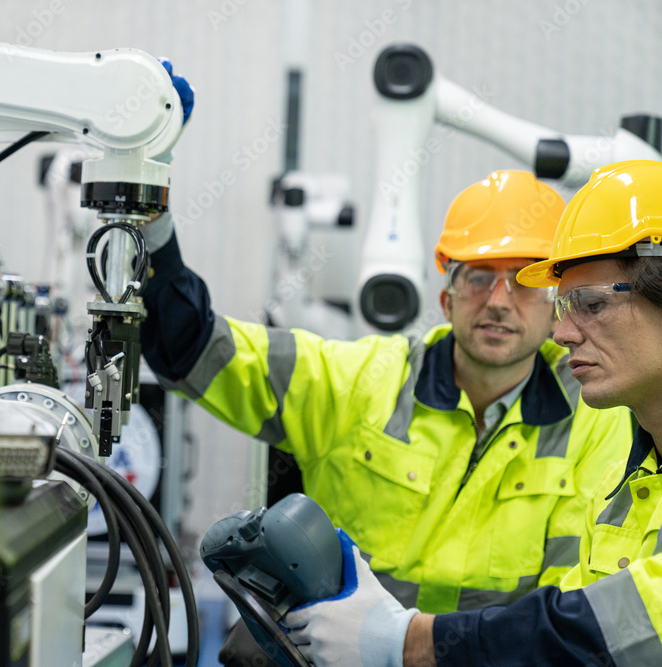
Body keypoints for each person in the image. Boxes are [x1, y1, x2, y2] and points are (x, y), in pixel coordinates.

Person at [138, 169, 633, 660]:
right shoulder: (364, 382)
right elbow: (198, 349)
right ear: (446, 300)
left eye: (523, 281)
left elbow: (576, 616)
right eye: (479, 278)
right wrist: (148, 209)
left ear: (556, 306)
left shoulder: (599, 418)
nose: (499, 301)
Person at [282, 159, 662, 667]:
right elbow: (573, 637)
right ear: (446, 300)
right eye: (564, 306)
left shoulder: (598, 443)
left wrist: (410, 642)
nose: (562, 333)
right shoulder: (624, 488)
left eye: (591, 305)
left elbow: (622, 624)